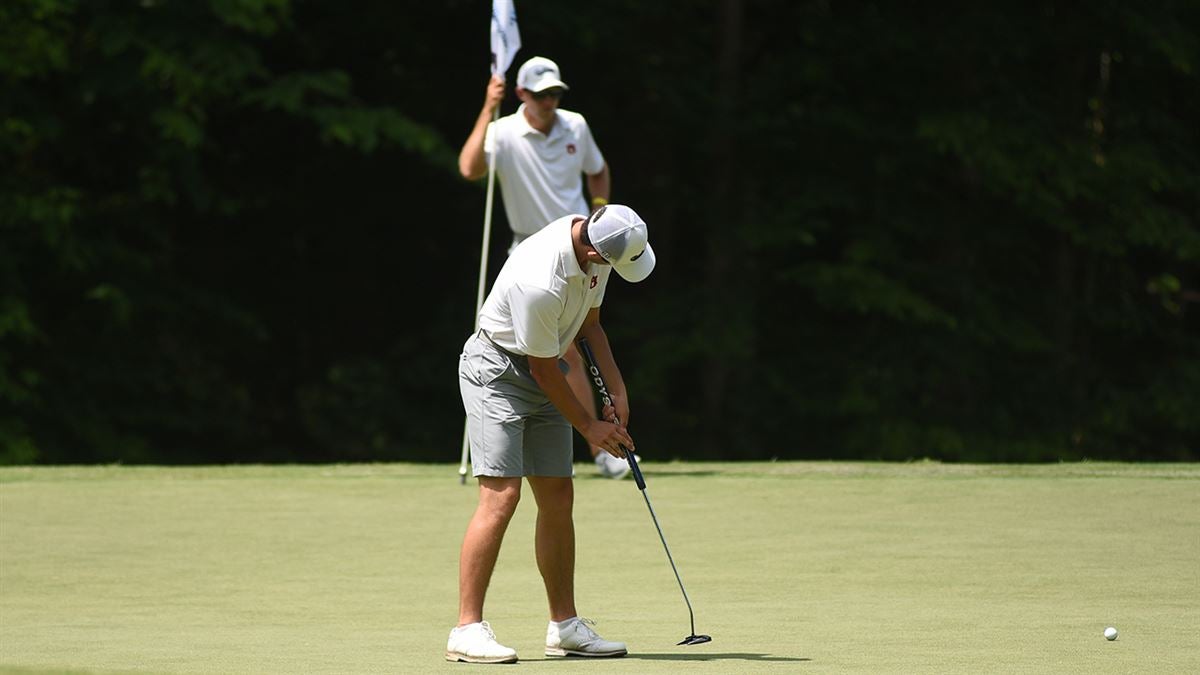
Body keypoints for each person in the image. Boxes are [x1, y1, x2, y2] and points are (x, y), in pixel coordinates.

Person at [446, 204, 656, 664]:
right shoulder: (539, 281)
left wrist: (616, 391)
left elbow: (589, 327)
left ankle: (565, 627)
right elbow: (542, 368)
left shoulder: (596, 245)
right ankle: (466, 629)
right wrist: (589, 426)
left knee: (558, 495)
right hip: (496, 372)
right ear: (596, 251)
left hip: (544, 370)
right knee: (502, 495)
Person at [458, 56, 632, 480]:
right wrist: (486, 107)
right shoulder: (503, 131)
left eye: (554, 93)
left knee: (576, 340)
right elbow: (469, 168)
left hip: (583, 246)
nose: (549, 101)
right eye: (540, 95)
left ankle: (596, 445)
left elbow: (598, 171)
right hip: (532, 260)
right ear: (521, 95)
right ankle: (600, 447)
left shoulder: (575, 125)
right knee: (558, 350)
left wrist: (599, 216)